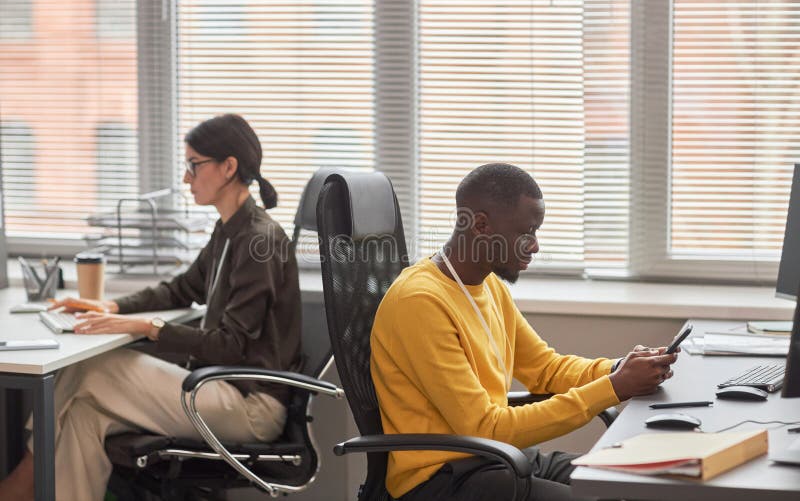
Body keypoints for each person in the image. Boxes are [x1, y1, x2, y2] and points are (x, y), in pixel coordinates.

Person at [0, 114, 303, 501]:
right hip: (217, 389)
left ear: (229, 167)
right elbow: (182, 289)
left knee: (89, 369)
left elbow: (231, 345)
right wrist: (110, 304)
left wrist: (146, 328)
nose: (186, 178)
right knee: (83, 417)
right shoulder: (229, 230)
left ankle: (22, 482)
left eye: (194, 165)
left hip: (249, 406)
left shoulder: (260, 240)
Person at [370, 163, 678, 501]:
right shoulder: (420, 302)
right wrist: (614, 388)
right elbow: (485, 427)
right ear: (481, 225)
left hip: (496, 459)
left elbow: (546, 369)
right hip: (444, 479)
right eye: (526, 232)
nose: (534, 246)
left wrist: (619, 368)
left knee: (632, 484)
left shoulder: (489, 286)